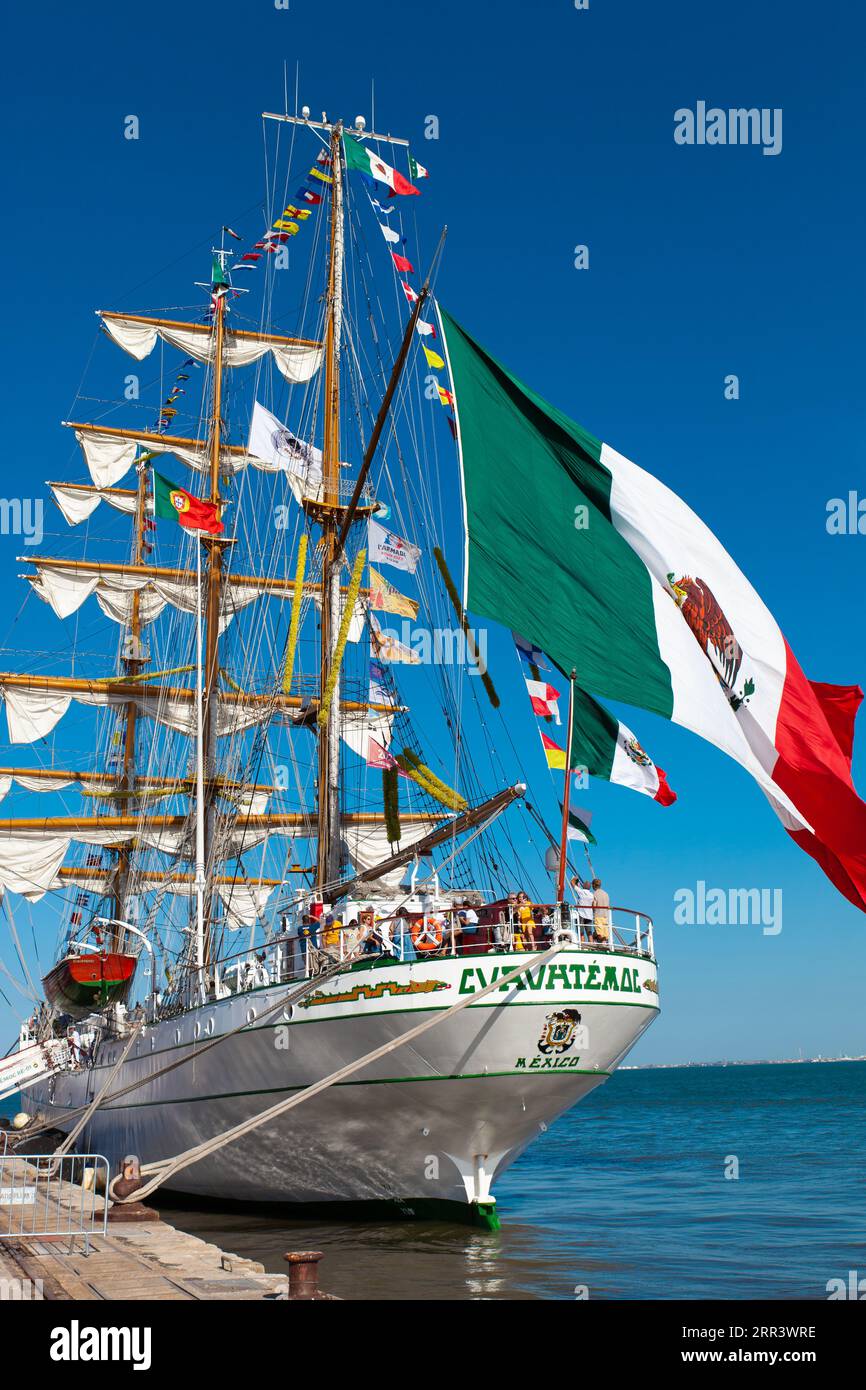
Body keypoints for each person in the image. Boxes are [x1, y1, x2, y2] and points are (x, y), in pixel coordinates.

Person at [571, 875, 595, 941]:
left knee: (581, 933)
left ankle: (583, 945)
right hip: (589, 915)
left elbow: (572, 883)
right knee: (589, 933)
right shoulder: (591, 895)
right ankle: (591, 945)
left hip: (581, 915)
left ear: (584, 886)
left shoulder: (581, 892)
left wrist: (574, 878)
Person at [592, 877, 611, 946]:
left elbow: (594, 905)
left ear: (594, 885)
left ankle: (597, 943)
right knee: (605, 932)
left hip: (598, 915)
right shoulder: (606, 894)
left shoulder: (595, 894)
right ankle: (604, 944)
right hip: (605, 916)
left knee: (599, 932)